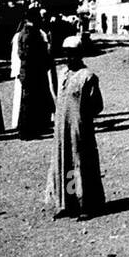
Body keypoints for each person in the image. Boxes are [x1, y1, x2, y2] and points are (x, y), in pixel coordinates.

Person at [45, 36, 105, 220]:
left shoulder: (88, 77)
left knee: (81, 165)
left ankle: (85, 204)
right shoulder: (63, 73)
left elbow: (97, 106)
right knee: (66, 164)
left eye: (72, 55)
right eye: (66, 54)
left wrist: (81, 115)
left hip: (80, 131)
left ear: (79, 54)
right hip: (62, 131)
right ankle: (68, 202)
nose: (68, 58)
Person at [11, 9, 54, 139]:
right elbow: (29, 54)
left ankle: (30, 129)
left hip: (27, 70)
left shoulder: (22, 33)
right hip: (32, 71)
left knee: (29, 101)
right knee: (29, 102)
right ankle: (27, 131)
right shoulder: (31, 33)